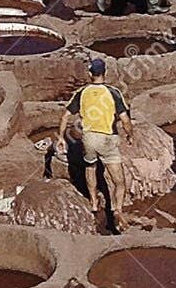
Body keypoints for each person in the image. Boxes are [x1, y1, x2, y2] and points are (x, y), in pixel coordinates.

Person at [56, 56, 133, 231]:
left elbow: (65, 116)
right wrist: (130, 135)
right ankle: (117, 210)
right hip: (107, 139)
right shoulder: (113, 92)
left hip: (89, 138)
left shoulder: (82, 92)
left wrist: (61, 137)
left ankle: (93, 202)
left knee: (90, 167)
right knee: (119, 181)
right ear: (105, 73)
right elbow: (125, 119)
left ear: (90, 73)